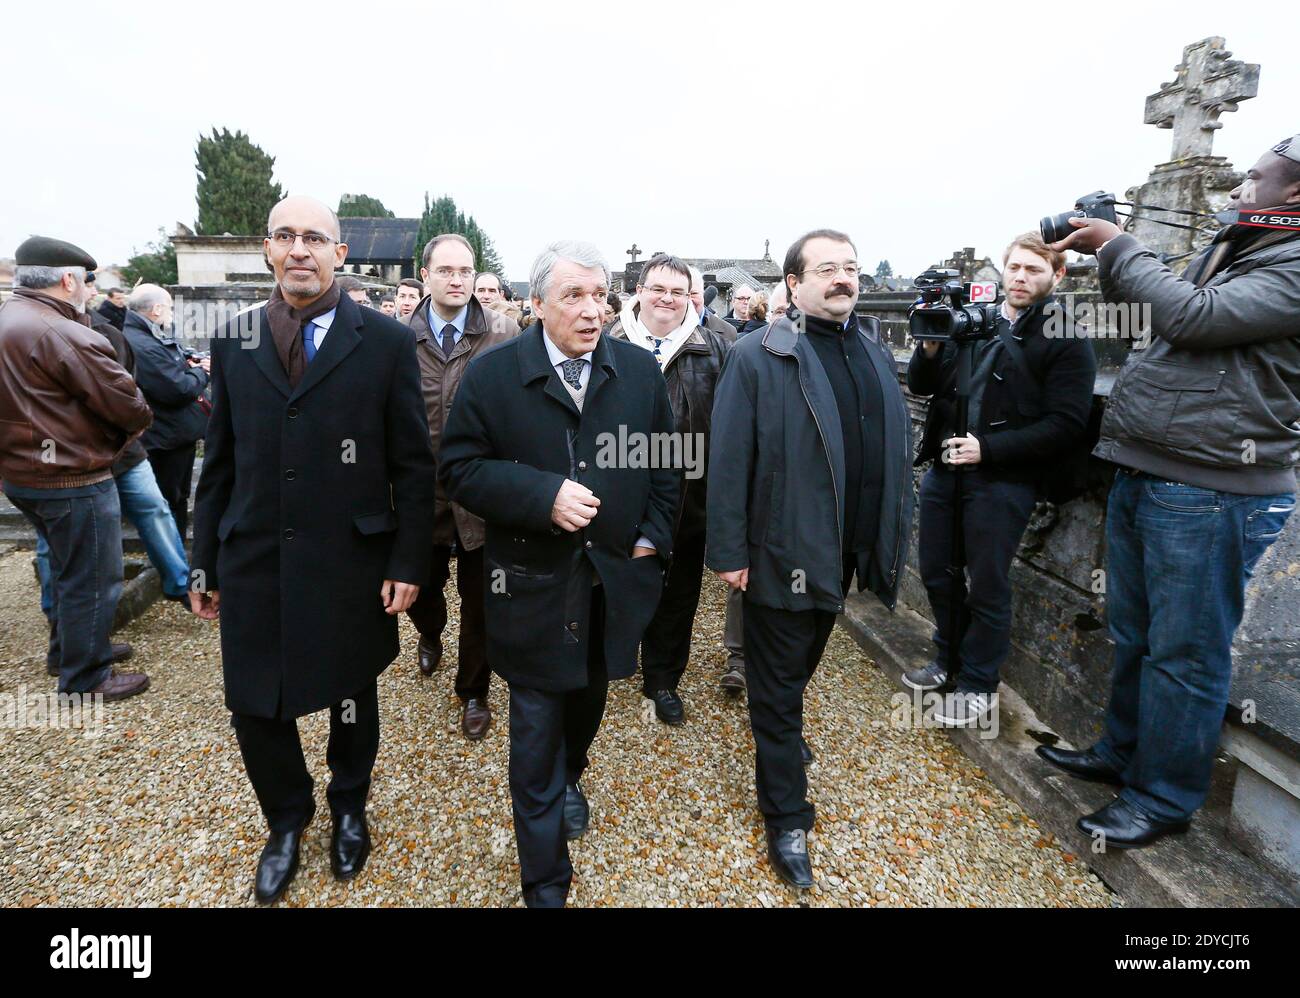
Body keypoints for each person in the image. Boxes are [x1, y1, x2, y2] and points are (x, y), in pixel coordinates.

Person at [1038, 135, 1300, 848]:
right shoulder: (1247, 244)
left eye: (1254, 179)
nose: (1240, 189)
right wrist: (1113, 246)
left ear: (1295, 196)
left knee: (1186, 653)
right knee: (1138, 634)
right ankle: (1121, 753)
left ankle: (1163, 798)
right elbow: (1161, 314)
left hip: (1215, 486)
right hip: (1154, 467)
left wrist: (1122, 245)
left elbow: (1194, 317)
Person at [190, 196, 435, 904]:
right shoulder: (234, 341)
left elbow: (413, 467)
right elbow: (221, 460)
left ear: (340, 254)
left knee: (351, 693)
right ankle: (287, 819)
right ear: (268, 250)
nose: (300, 249)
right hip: (253, 556)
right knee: (254, 702)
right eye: (285, 236)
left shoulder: (386, 344)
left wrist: (407, 562)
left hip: (349, 561)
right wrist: (203, 560)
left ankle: (350, 805)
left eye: (315, 238)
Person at [440, 240, 678, 908]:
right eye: (574, 296)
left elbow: (665, 464)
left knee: (591, 699)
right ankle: (545, 883)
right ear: (536, 303)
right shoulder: (493, 377)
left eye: (600, 295)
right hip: (533, 589)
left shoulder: (637, 372)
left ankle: (574, 773)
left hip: (612, 584)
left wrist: (652, 539)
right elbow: (458, 469)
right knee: (536, 731)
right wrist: (540, 497)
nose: (591, 310)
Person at [707, 229, 914, 888]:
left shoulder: (874, 351)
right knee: (775, 689)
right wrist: (730, 550)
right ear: (792, 285)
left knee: (798, 668)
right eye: (827, 268)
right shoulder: (758, 355)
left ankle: (784, 732)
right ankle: (786, 815)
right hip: (782, 548)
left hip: (846, 550)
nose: (844, 278)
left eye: (850, 267)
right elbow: (730, 458)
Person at [904, 232, 1096, 726]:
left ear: (1058, 276)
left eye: (1034, 270)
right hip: (947, 469)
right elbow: (924, 386)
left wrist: (987, 449)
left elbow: (1068, 423)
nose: (1020, 277)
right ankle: (946, 660)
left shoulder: (1066, 336)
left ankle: (977, 685)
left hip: (1004, 479)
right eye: (1014, 267)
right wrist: (928, 348)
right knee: (937, 573)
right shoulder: (975, 322)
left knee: (985, 584)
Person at [0, 236, 153, 700]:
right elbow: (129, 406)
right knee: (92, 576)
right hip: (72, 475)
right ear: (69, 279)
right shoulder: (64, 333)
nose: (89, 289)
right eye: (86, 280)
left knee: (67, 568)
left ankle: (68, 651)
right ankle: (85, 677)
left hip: (23, 474)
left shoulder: (10, 317)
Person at [401, 233, 519, 739]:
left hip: (481, 488)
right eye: (446, 271)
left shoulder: (503, 332)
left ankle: (474, 690)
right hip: (420, 488)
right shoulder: (395, 338)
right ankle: (430, 631)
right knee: (421, 585)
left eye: (465, 272)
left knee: (482, 598)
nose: (457, 280)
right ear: (424, 274)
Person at [607, 253, 728, 724]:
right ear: (639, 290)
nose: (667, 299)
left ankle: (662, 680)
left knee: (678, 594)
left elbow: (728, 428)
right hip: (615, 489)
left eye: (678, 292)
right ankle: (612, 660)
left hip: (687, 498)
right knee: (613, 582)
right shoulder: (608, 342)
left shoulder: (714, 350)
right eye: (658, 288)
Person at [122, 284, 210, 543]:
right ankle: (172, 559)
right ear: (156, 309)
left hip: (167, 433)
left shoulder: (144, 335)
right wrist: (203, 372)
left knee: (174, 497)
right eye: (169, 307)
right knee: (170, 499)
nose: (171, 313)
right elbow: (177, 389)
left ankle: (174, 555)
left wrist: (188, 364)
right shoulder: (143, 344)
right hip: (164, 436)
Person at [689, 265, 737, 343]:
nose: (689, 300)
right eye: (682, 294)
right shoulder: (664, 327)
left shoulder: (728, 332)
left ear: (702, 293)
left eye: (694, 293)